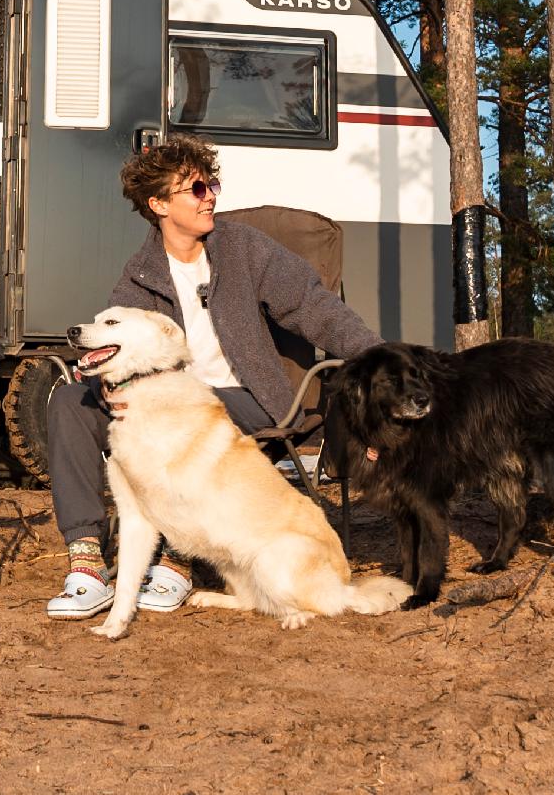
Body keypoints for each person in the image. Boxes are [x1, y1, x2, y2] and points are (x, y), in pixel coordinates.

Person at [44, 133, 382, 620]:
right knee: (69, 404)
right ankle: (86, 560)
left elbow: (312, 305)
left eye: (211, 185)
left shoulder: (243, 248)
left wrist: (376, 357)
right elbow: (118, 351)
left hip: (245, 399)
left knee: (186, 420)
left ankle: (180, 560)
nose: (211, 197)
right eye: (196, 189)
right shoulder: (140, 275)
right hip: (162, 404)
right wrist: (106, 386)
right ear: (159, 204)